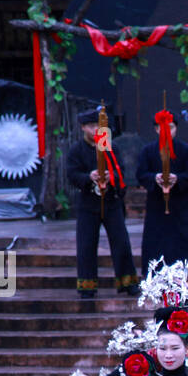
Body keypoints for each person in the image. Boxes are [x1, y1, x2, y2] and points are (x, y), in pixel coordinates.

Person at [66, 107, 138, 298]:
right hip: (88, 204)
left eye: (99, 125)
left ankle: (128, 282)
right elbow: (72, 174)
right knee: (86, 245)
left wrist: (111, 175)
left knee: (121, 241)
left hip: (111, 202)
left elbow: (120, 170)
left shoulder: (110, 147)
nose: (96, 129)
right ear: (83, 128)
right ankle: (87, 286)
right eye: (91, 126)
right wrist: (89, 177)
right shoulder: (76, 150)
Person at [136, 111, 188, 276]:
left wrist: (178, 179)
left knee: (184, 240)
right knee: (156, 241)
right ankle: (155, 278)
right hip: (157, 204)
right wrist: (155, 178)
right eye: (163, 128)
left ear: (176, 129)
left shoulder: (185, 150)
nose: (168, 131)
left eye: (171, 128)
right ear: (156, 129)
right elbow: (141, 174)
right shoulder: (148, 151)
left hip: (181, 204)